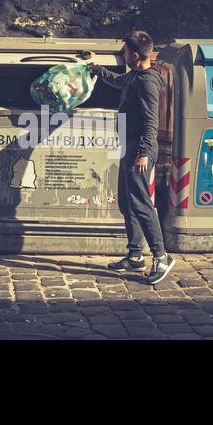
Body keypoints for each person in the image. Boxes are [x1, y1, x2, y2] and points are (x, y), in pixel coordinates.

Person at [86, 31, 175, 285]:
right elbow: (117, 81)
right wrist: (94, 68)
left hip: (140, 151)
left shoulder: (147, 82)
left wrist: (144, 152)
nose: (123, 55)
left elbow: (151, 122)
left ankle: (161, 256)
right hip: (129, 147)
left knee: (142, 204)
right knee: (127, 203)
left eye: (125, 52)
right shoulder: (135, 76)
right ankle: (135, 255)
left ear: (135, 55)